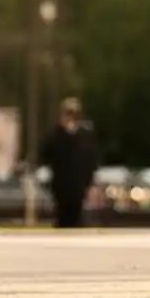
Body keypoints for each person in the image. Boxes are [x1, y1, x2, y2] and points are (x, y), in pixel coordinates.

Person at [39, 97, 99, 228]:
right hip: (61, 184)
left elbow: (91, 160)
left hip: (79, 184)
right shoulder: (56, 135)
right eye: (68, 113)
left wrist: (91, 183)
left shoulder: (85, 136)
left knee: (76, 215)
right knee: (63, 216)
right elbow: (45, 154)